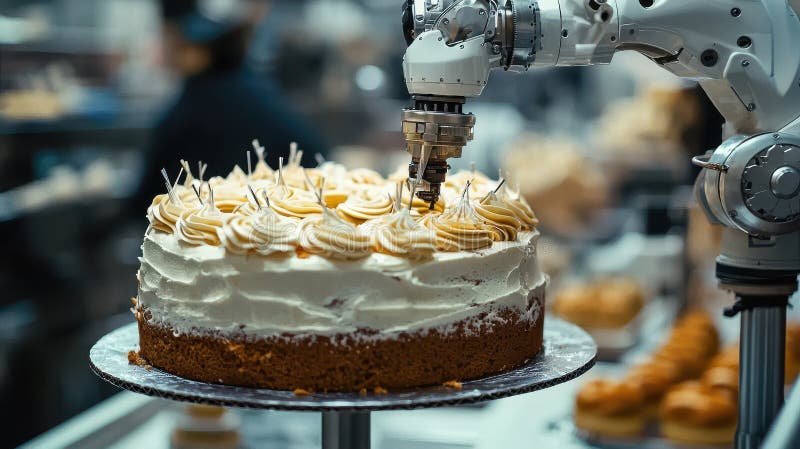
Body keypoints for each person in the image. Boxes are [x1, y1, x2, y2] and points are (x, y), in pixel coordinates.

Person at [135, 0, 327, 210]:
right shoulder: (253, 90)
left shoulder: (189, 109)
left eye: (173, 41)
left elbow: (145, 201)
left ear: (196, 51)